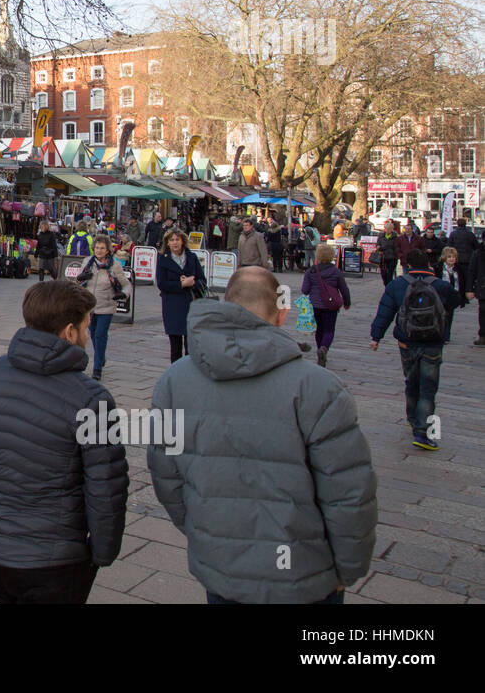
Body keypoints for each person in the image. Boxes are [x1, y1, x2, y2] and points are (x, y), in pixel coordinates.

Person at [147, 266, 377, 604]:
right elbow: (348, 493)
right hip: (304, 575)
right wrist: (349, 568)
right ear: (282, 314)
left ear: (225, 305)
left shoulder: (173, 381)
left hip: (222, 566)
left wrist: (204, 533)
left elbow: (167, 478)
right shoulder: (320, 387)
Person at [0, 281, 128, 604]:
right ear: (69, 333)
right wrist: (102, 552)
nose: (88, 336)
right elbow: (106, 488)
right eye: (86, 327)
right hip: (57, 559)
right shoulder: (92, 399)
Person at [370, 249, 461, 451]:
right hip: (433, 343)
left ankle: (412, 418)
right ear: (428, 264)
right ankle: (423, 433)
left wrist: (376, 336)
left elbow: (385, 312)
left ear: (407, 265)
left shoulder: (397, 285)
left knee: (411, 381)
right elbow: (457, 301)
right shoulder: (441, 285)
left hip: (407, 342)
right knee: (428, 389)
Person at [78, 237, 129, 380]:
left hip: (106, 305)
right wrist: (80, 277)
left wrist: (123, 294)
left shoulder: (114, 266)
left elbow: (126, 284)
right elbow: (79, 281)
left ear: (107, 250)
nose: (98, 251)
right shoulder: (88, 263)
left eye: (102, 248)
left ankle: (97, 368)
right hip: (89, 306)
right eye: (97, 248)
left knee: (100, 334)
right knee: (93, 334)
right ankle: (101, 356)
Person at [157, 229, 206, 363]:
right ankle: (176, 376)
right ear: (167, 243)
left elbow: (202, 280)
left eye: (177, 239)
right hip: (172, 306)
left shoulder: (192, 257)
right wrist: (181, 284)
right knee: (175, 347)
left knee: (191, 346)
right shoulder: (162, 259)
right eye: (171, 240)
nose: (175, 243)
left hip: (190, 304)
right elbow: (161, 283)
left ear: (183, 241)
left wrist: (192, 282)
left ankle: (191, 374)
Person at [300, 244, 351, 368]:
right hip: (331, 305)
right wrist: (347, 302)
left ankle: (320, 349)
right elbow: (344, 289)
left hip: (316, 305)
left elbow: (305, 290)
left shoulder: (311, 271)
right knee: (329, 330)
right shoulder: (336, 271)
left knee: (320, 329)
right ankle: (324, 348)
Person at [448, 217, 477, 301]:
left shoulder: (453, 234)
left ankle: (459, 295)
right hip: (468, 260)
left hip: (456, 259)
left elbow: (449, 245)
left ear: (457, 224)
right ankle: (466, 295)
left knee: (458, 278)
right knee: (467, 278)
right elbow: (476, 246)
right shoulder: (470, 234)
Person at [436, 247, 461, 343]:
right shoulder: (438, 267)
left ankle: (446, 335)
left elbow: (461, 282)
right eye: (449, 257)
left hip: (453, 295)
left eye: (454, 257)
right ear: (444, 257)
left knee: (449, 316)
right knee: (440, 315)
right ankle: (440, 334)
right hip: (440, 295)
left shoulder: (458, 269)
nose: (452, 259)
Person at [376, 220, 399, 285]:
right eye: (386, 229)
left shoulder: (395, 236)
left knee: (390, 274)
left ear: (392, 229)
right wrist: (378, 248)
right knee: (383, 274)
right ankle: (386, 285)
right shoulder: (381, 235)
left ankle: (389, 288)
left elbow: (398, 246)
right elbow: (378, 244)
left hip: (392, 257)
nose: (387, 230)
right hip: (383, 257)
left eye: (389, 229)